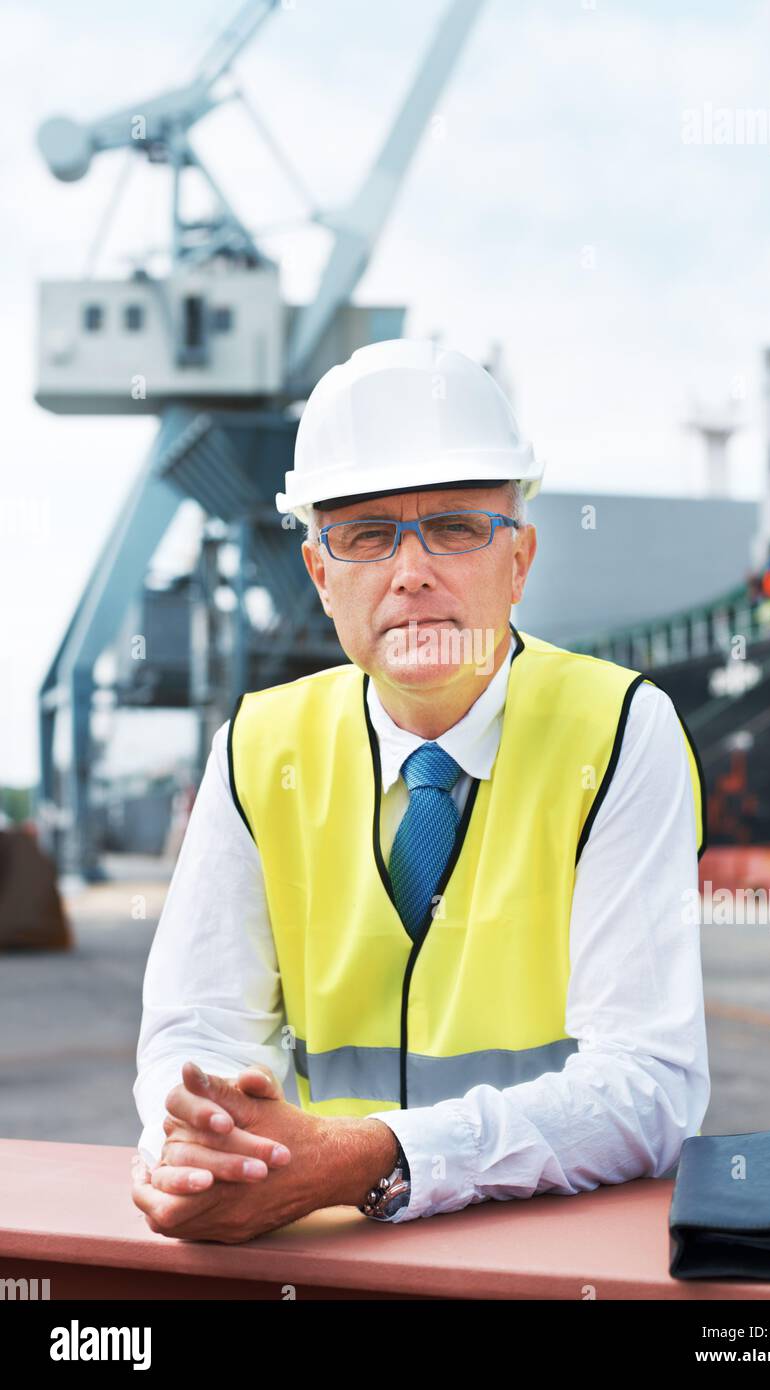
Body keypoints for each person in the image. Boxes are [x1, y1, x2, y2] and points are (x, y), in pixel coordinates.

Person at [132, 339, 709, 1241]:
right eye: (366, 535)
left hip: (551, 1256)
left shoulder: (620, 730)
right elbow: (196, 1025)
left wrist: (369, 1158)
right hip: (325, 1258)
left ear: (518, 558)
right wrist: (204, 1140)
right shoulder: (256, 748)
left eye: (454, 528)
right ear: (321, 576)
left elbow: (647, 1086)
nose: (411, 573)